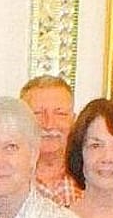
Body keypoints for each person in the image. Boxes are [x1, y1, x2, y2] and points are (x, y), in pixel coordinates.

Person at [20, 75, 82, 207]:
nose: (49, 124)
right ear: (22, 122)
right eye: (37, 113)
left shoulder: (91, 181)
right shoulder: (7, 182)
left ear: (73, 121)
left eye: (60, 114)